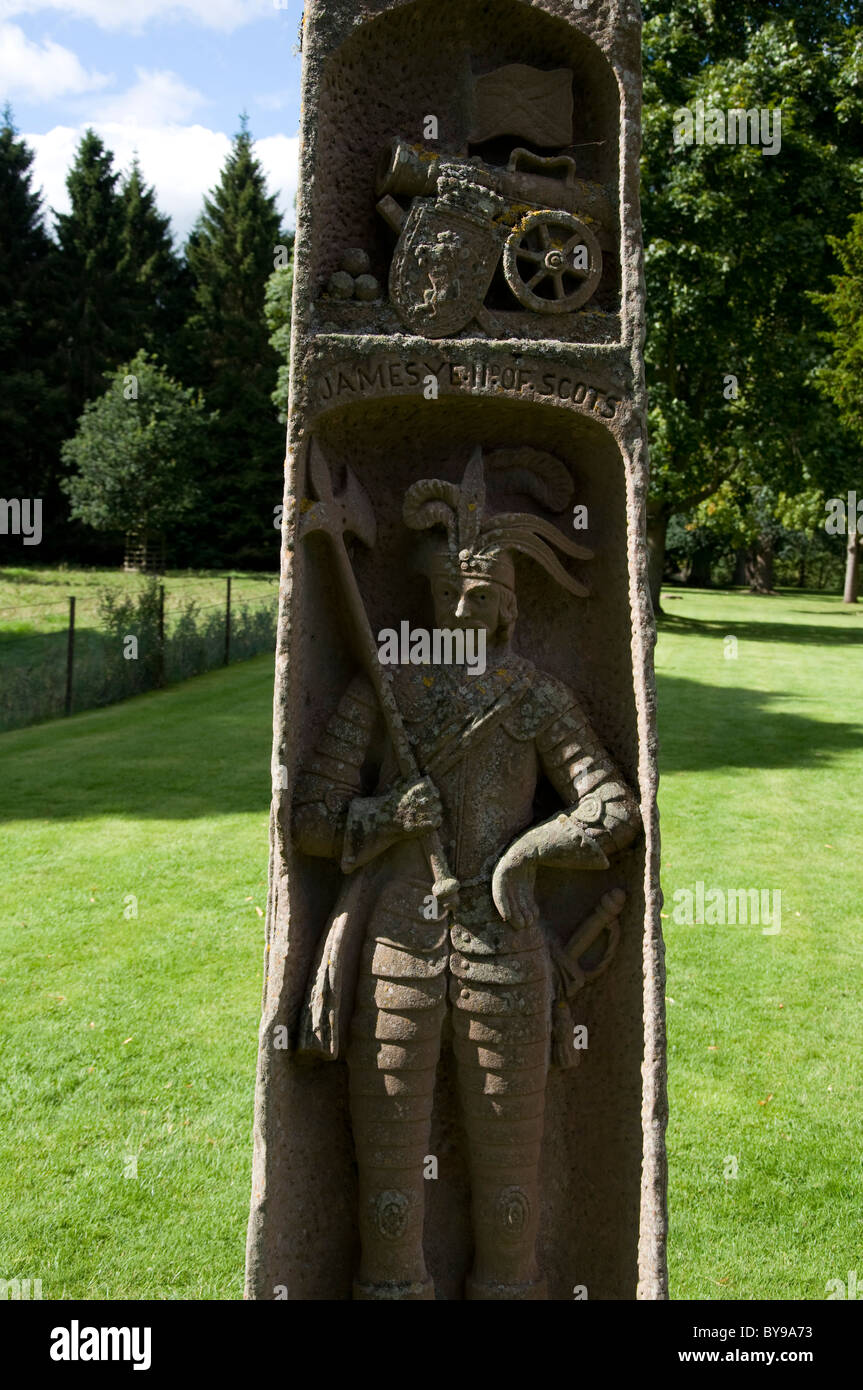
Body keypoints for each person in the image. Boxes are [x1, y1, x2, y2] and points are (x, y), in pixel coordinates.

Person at [293, 450, 641, 1299]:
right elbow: (310, 819)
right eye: (446, 594)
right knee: (386, 1187)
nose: (459, 610)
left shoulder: (532, 698)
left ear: (505, 608)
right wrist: (383, 820)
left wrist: (525, 855)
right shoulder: (386, 689)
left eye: (477, 597)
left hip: (504, 951)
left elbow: (613, 807)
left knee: (508, 1183)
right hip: (396, 950)